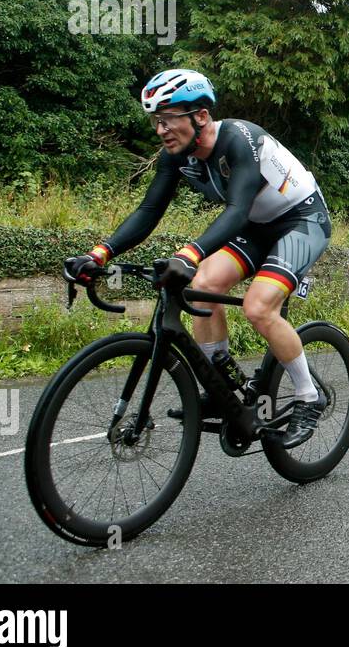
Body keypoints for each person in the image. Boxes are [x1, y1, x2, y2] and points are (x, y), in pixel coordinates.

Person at [63, 69, 331, 448]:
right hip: (255, 227)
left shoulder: (240, 139)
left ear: (200, 116)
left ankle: (309, 396)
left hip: (301, 221)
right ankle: (219, 387)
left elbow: (236, 209)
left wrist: (190, 253)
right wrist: (99, 252)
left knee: (258, 307)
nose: (160, 130)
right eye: (155, 122)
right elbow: (149, 210)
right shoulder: (176, 155)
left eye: (167, 119)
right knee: (202, 286)